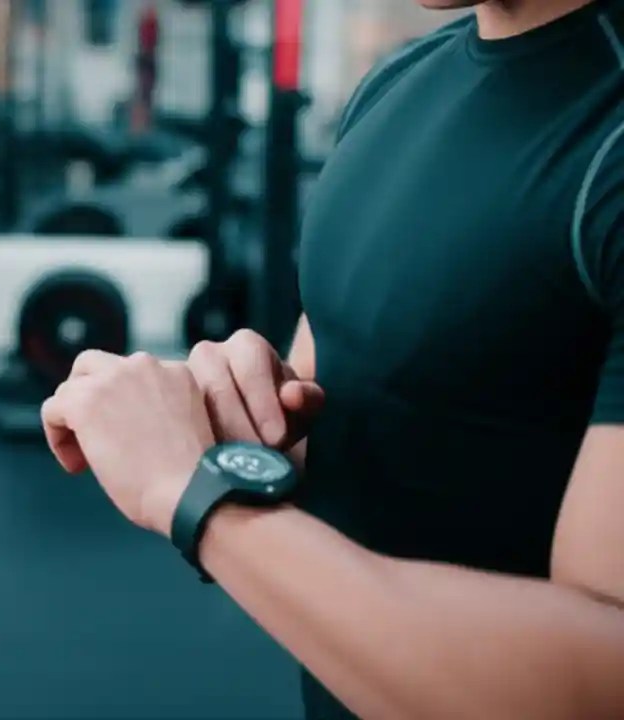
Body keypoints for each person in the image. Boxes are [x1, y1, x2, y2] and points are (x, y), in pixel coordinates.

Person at [40, 0, 624, 717]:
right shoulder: (401, 81)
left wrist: (193, 497)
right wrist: (230, 427)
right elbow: (335, 420)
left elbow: (606, 678)